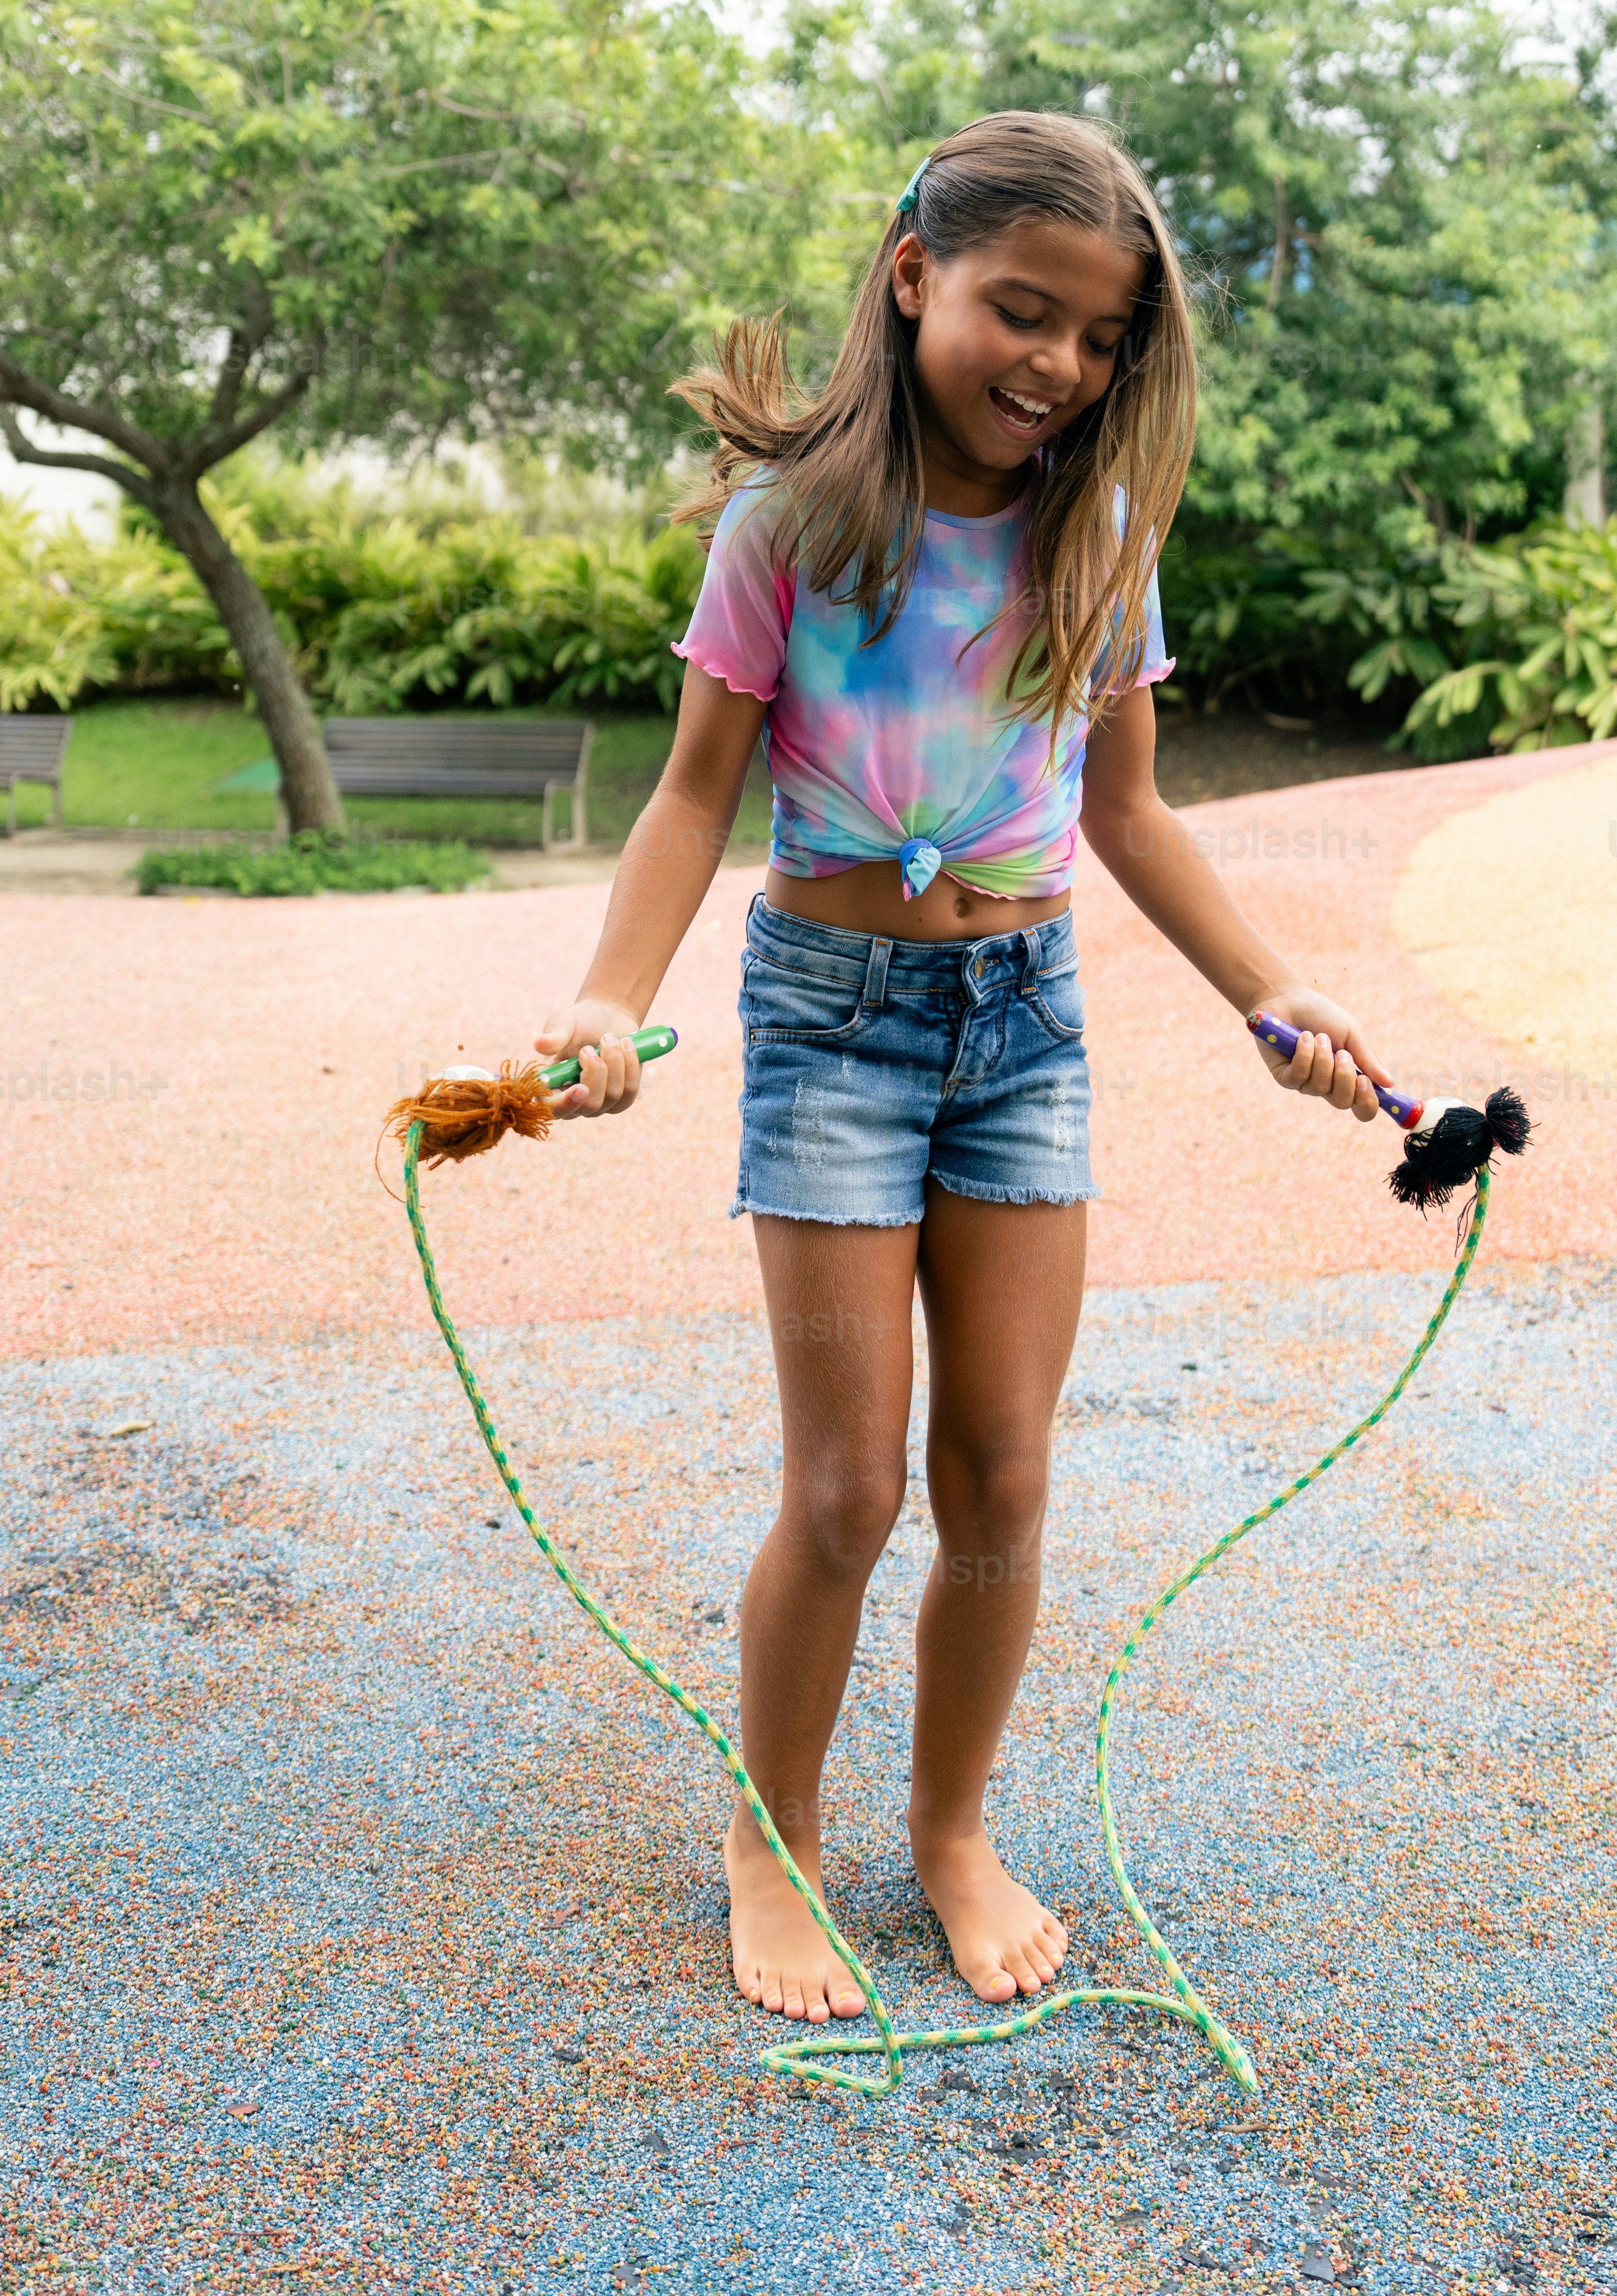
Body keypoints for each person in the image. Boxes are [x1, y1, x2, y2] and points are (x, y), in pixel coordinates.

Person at [536, 112, 1389, 2030]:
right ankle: (777, 1835)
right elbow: (693, 798)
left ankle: (950, 1824)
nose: (1059, 366)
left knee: (1002, 1474)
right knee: (844, 1489)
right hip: (832, 1021)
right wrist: (606, 1002)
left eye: (1098, 339)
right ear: (916, 272)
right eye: (1024, 311)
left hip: (1025, 1031)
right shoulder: (793, 528)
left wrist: (1277, 999)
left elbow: (1133, 813)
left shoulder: (1103, 532)